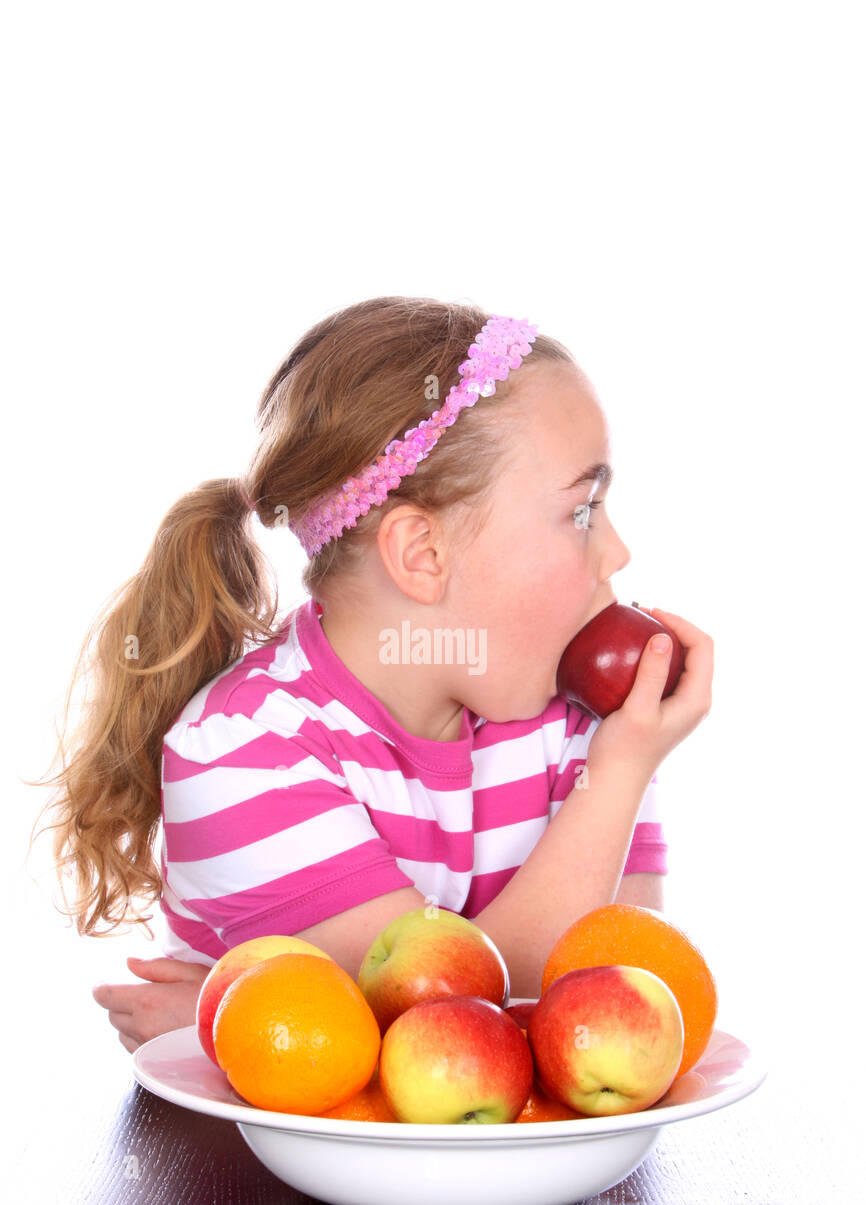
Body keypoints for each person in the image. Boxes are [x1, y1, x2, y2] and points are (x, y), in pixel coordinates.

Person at [38, 297, 712, 1053]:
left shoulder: (591, 727)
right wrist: (620, 774)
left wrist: (251, 1019)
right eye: (583, 513)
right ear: (422, 554)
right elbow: (467, 1031)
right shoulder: (243, 755)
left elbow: (621, 1008)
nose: (617, 552)